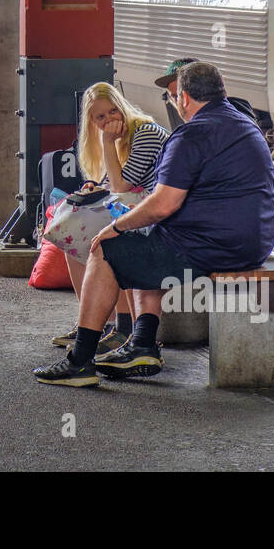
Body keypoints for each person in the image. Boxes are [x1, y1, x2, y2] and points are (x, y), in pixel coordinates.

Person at [32, 61, 274, 387]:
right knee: (145, 241)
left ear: (185, 98)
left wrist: (116, 228)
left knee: (106, 249)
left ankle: (79, 362)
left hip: (214, 245)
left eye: (176, 95)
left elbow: (164, 204)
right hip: (255, 242)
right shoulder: (246, 125)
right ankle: (142, 345)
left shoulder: (191, 135)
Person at [50, 82, 169, 357]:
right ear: (91, 121)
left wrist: (106, 143)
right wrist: (93, 187)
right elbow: (110, 184)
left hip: (154, 212)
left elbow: (121, 187)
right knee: (69, 237)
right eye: (100, 117)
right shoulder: (121, 138)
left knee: (101, 242)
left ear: (122, 106)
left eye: (113, 111)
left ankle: (122, 327)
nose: (109, 120)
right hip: (137, 207)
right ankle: (94, 324)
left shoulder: (145, 132)